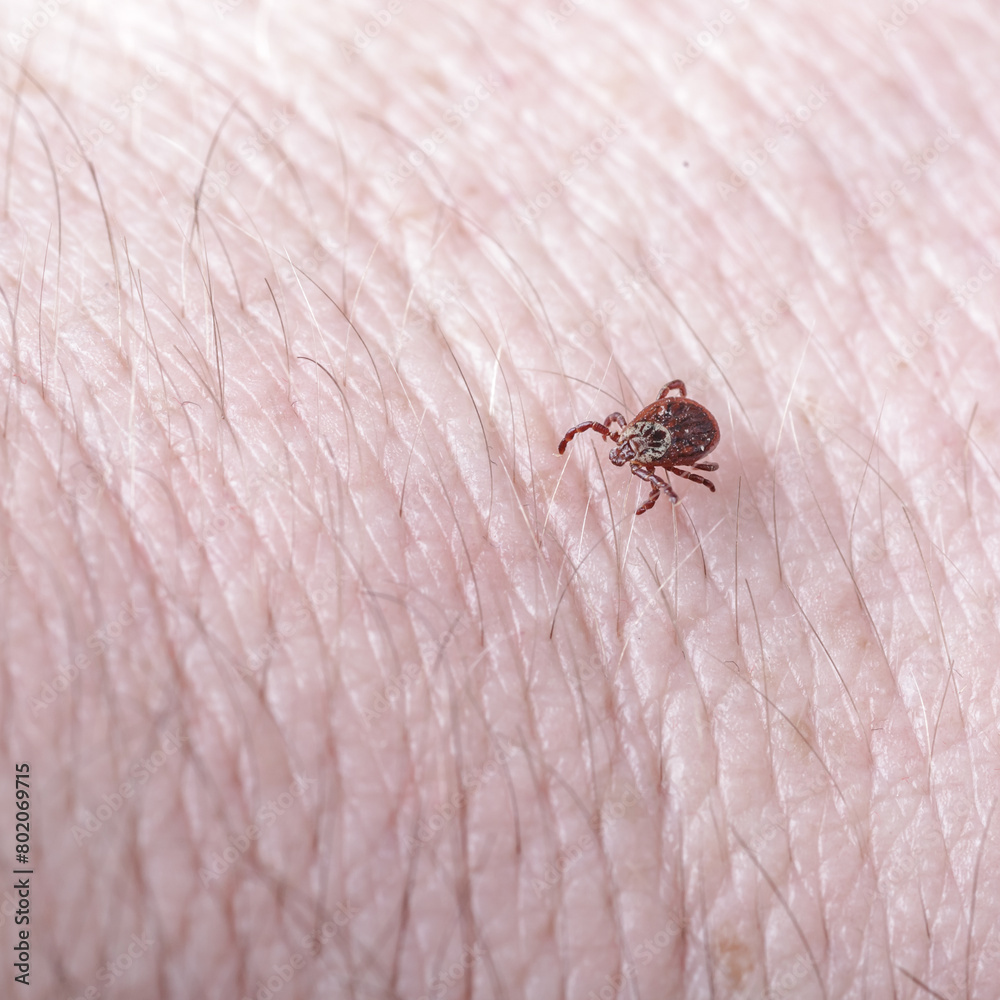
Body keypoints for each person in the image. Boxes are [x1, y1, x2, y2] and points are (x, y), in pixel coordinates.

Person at [4, 0, 996, 997]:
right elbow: (669, 421)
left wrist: (650, 477)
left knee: (695, 465)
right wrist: (630, 455)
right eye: (634, 445)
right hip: (691, 426)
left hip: (701, 442)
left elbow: (685, 457)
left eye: (638, 448)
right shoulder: (646, 437)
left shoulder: (661, 452)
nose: (633, 452)